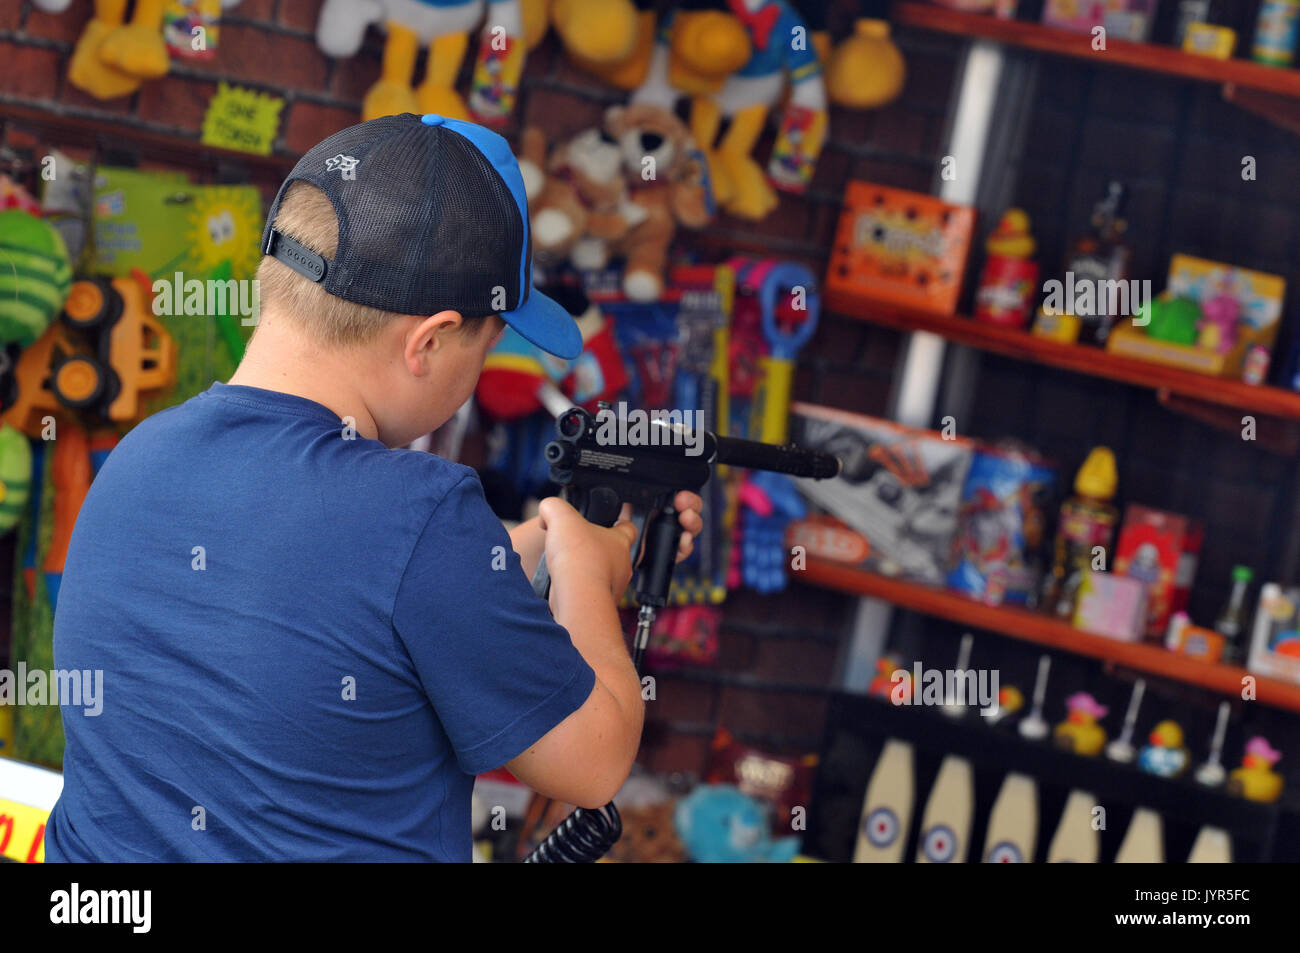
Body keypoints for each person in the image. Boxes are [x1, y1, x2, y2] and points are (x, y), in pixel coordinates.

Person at [45, 113, 703, 861]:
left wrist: (521, 551)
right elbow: (592, 764)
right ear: (429, 341)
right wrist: (587, 574)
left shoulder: (139, 455)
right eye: (487, 348)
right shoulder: (420, 509)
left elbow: (337, 601)